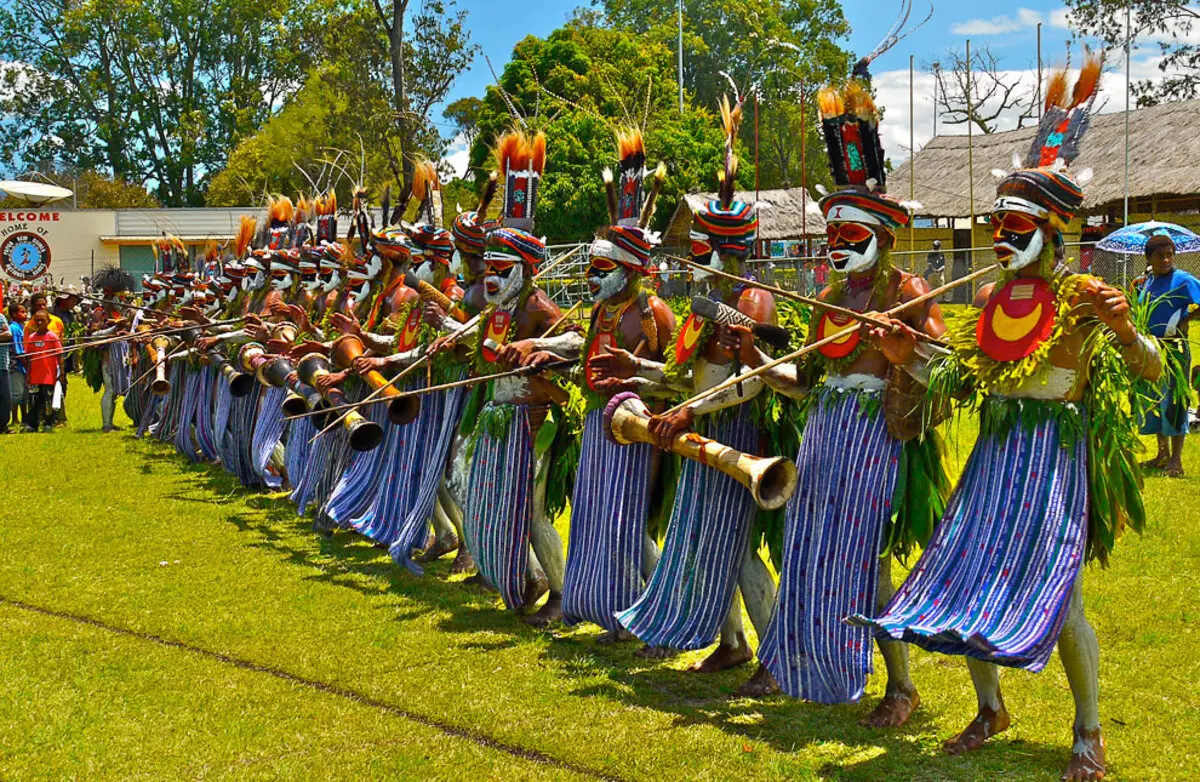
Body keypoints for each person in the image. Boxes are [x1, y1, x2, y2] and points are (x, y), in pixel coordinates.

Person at [853, 55, 1162, 781]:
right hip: (995, 459)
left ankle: (1089, 734)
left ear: (1053, 228)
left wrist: (1124, 330)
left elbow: (1150, 366)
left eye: (1015, 225)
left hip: (1052, 459)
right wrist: (907, 352)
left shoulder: (1086, 296)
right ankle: (990, 709)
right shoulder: (993, 303)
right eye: (997, 223)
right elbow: (962, 383)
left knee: (1063, 600)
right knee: (967, 579)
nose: (1000, 236)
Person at [1137, 233, 1200, 477]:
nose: (1166, 260)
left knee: (1174, 401)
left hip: (1174, 350)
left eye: (1170, 255)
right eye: (1160, 256)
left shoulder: (1182, 280)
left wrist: (1187, 318)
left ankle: (1176, 461)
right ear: (1148, 258)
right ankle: (1161, 454)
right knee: (1153, 399)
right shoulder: (1148, 281)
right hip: (1151, 349)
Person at [23, 309, 63, 433]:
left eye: (42, 320)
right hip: (35, 375)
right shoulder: (32, 337)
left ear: (48, 321)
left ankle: (49, 423)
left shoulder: (52, 336)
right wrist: (28, 374)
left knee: (48, 400)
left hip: (48, 375)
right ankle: (33, 424)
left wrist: (61, 373)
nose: (39, 323)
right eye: (37, 320)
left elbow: (59, 355)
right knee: (34, 400)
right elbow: (29, 357)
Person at [7, 302, 26, 429]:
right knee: (17, 393)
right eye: (22, 311)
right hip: (16, 365)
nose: (25, 314)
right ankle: (14, 418)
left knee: (24, 393)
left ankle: (25, 417)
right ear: (14, 314)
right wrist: (27, 365)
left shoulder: (21, 327)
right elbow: (18, 351)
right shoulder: (14, 329)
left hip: (22, 365)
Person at [0, 304, 12, 434]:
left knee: (4, 398)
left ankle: (2, 425)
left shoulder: (0, 317)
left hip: (1, 364)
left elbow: (8, 335)